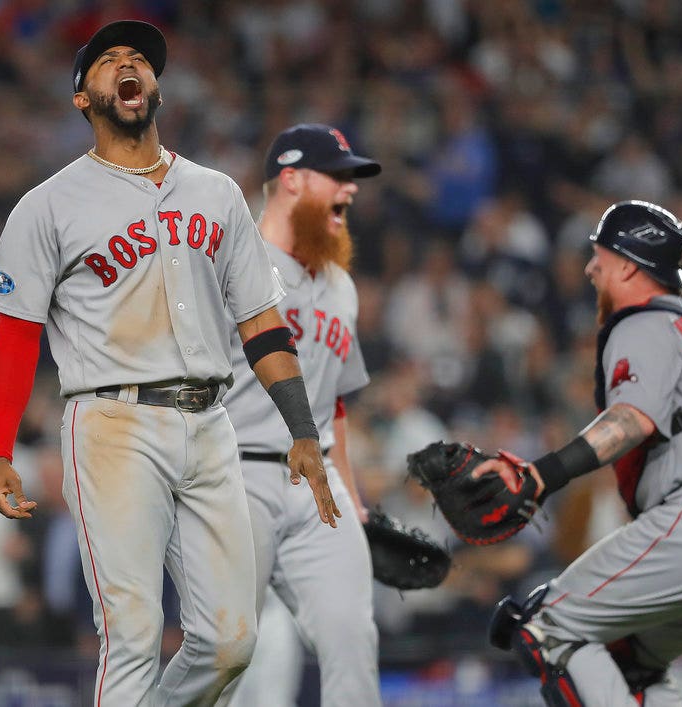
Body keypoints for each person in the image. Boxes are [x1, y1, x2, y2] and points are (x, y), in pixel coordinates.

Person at [0, 21, 341, 707]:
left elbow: (261, 323)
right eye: (108, 60)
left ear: (156, 89)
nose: (128, 65)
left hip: (211, 422)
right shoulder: (48, 205)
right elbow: (16, 334)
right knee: (134, 630)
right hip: (113, 421)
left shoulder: (216, 193)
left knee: (232, 639)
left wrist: (301, 430)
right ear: (82, 98)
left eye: (140, 59)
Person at [475, 200, 682, 706]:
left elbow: (631, 421)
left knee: (547, 624)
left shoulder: (641, 323)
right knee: (629, 660)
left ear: (629, 264)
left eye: (599, 256)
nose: (589, 269)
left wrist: (541, 475)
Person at [219, 124, 382, 706]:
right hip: (235, 475)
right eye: (337, 177)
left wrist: (356, 500)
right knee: (227, 655)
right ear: (291, 179)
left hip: (321, 485)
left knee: (352, 636)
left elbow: (332, 401)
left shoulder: (341, 286)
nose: (351, 189)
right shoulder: (229, 260)